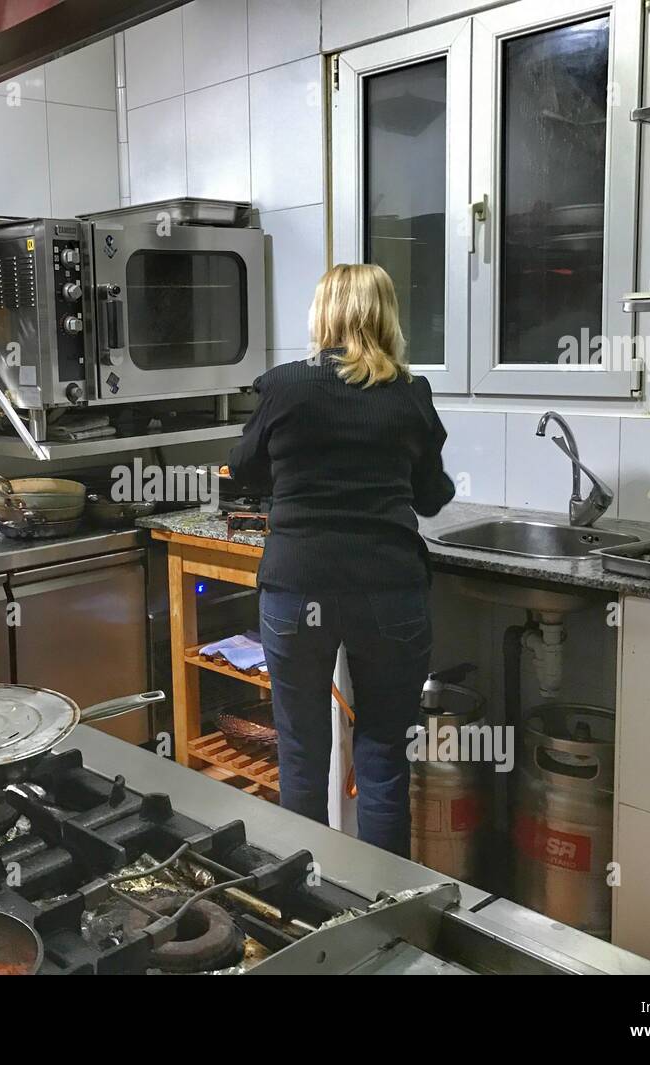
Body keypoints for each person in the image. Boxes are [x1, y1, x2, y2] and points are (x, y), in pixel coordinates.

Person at [226, 263, 454, 854]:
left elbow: (245, 471)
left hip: (298, 587)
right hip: (390, 590)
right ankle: (384, 907)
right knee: (383, 755)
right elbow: (432, 497)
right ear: (386, 316)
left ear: (323, 314)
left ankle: (300, 896)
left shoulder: (283, 384)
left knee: (300, 754)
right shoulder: (409, 392)